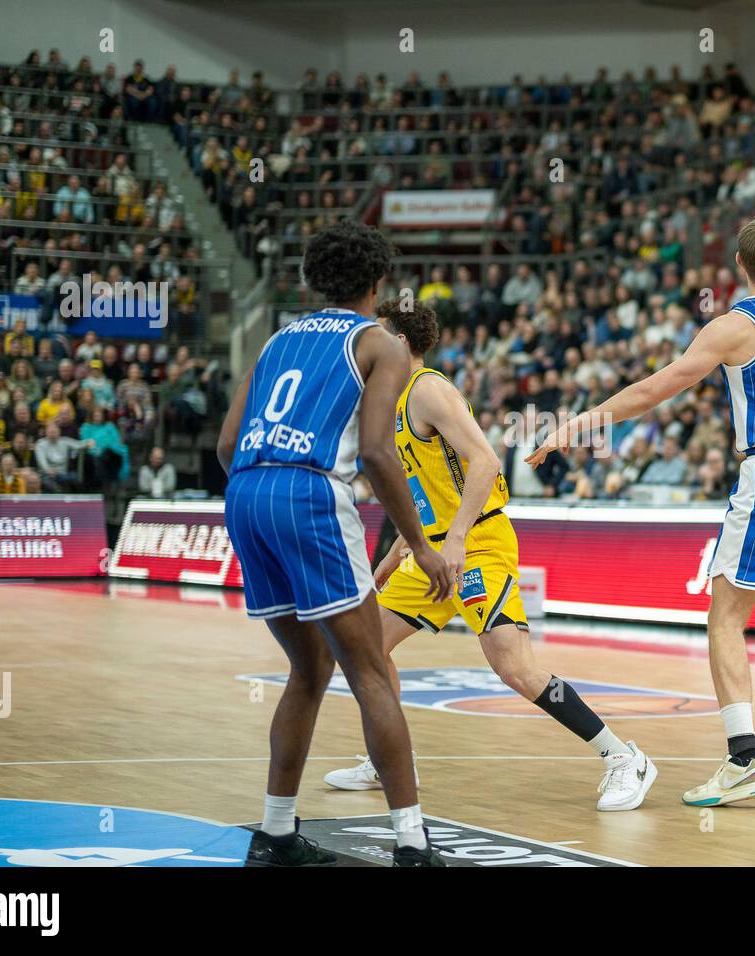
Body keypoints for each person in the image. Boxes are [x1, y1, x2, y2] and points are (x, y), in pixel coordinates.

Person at [531, 129, 755, 808]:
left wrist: (577, 424)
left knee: (725, 617)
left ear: (739, 266)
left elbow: (655, 389)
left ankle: (744, 760)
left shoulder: (733, 327)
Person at [325, 301, 657, 812]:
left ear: (400, 341)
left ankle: (623, 756)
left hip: (476, 540)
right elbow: (425, 491)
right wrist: (399, 551)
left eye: (378, 334)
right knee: (368, 647)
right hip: (432, 548)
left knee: (514, 668)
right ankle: (390, 759)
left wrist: (456, 539)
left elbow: (483, 461)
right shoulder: (387, 400)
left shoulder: (429, 391)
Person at [216, 221, 453, 867]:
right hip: (307, 494)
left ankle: (275, 833)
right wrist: (421, 545)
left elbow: (225, 444)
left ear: (313, 279)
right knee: (370, 668)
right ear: (378, 282)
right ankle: (411, 844)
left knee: (309, 668)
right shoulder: (381, 344)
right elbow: (377, 451)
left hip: (246, 492)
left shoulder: (276, 341)